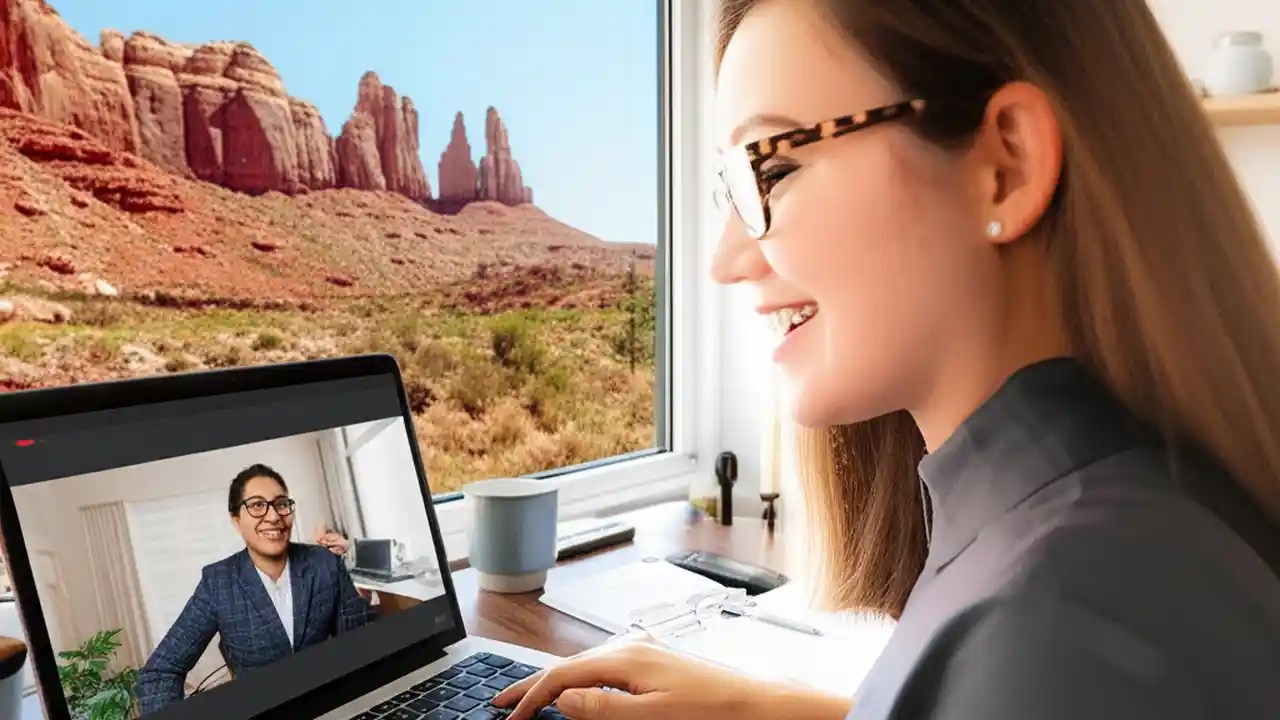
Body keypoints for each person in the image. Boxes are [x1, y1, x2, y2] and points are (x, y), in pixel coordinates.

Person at [495, 1, 1280, 718]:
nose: (728, 258)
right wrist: (758, 710)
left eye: (772, 168)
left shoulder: (1062, 620)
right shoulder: (1107, 531)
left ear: (1006, 166)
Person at [135, 464, 371, 715]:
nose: (273, 517)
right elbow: (160, 672)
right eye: (257, 505)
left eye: (281, 503)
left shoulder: (324, 563)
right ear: (236, 520)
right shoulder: (218, 582)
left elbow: (360, 645)